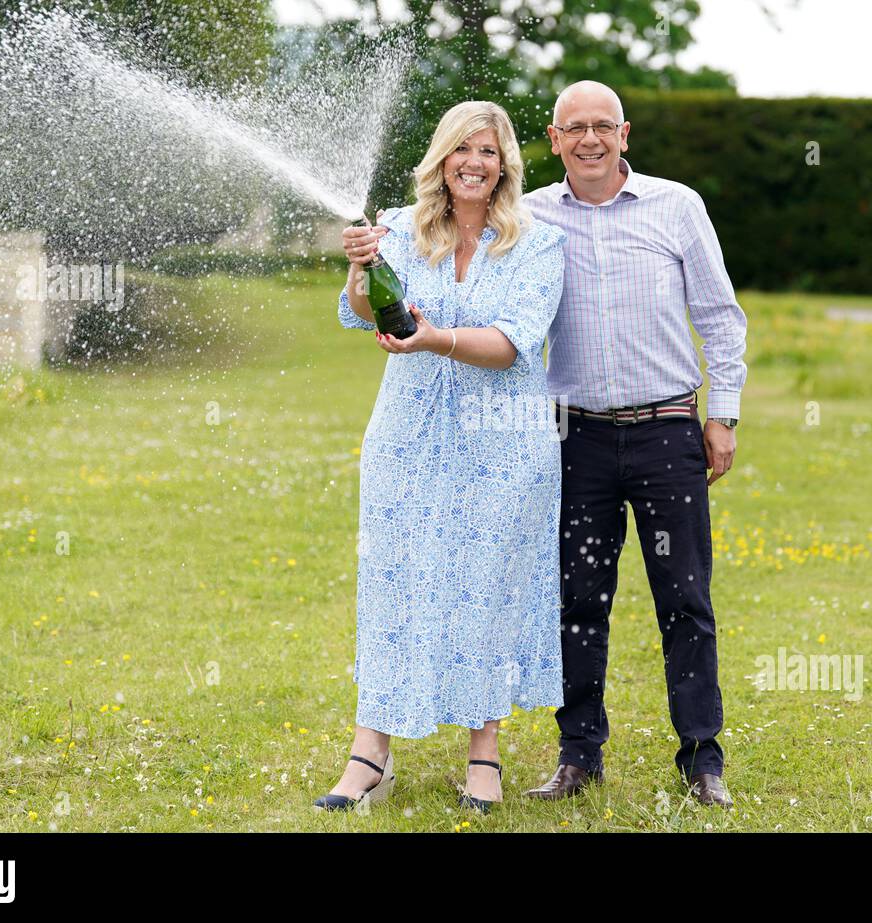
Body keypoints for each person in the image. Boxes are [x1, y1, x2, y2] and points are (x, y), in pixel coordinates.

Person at [316, 100, 567, 814]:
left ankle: (483, 753)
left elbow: (514, 342)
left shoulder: (536, 243)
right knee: (396, 579)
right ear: (442, 158)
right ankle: (370, 754)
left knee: (488, 585)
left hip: (505, 442)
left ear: (506, 164)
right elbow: (368, 312)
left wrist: (437, 340)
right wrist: (361, 270)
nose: (475, 163)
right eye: (463, 149)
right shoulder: (398, 226)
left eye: (489, 151)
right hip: (409, 435)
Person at [522, 80, 748, 808]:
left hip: (666, 433)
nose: (589, 139)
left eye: (603, 126)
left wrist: (725, 415)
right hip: (574, 437)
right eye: (573, 128)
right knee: (577, 600)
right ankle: (578, 754)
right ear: (554, 140)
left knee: (685, 600)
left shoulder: (676, 207)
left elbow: (719, 315)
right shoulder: (527, 218)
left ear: (626, 134)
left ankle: (702, 758)